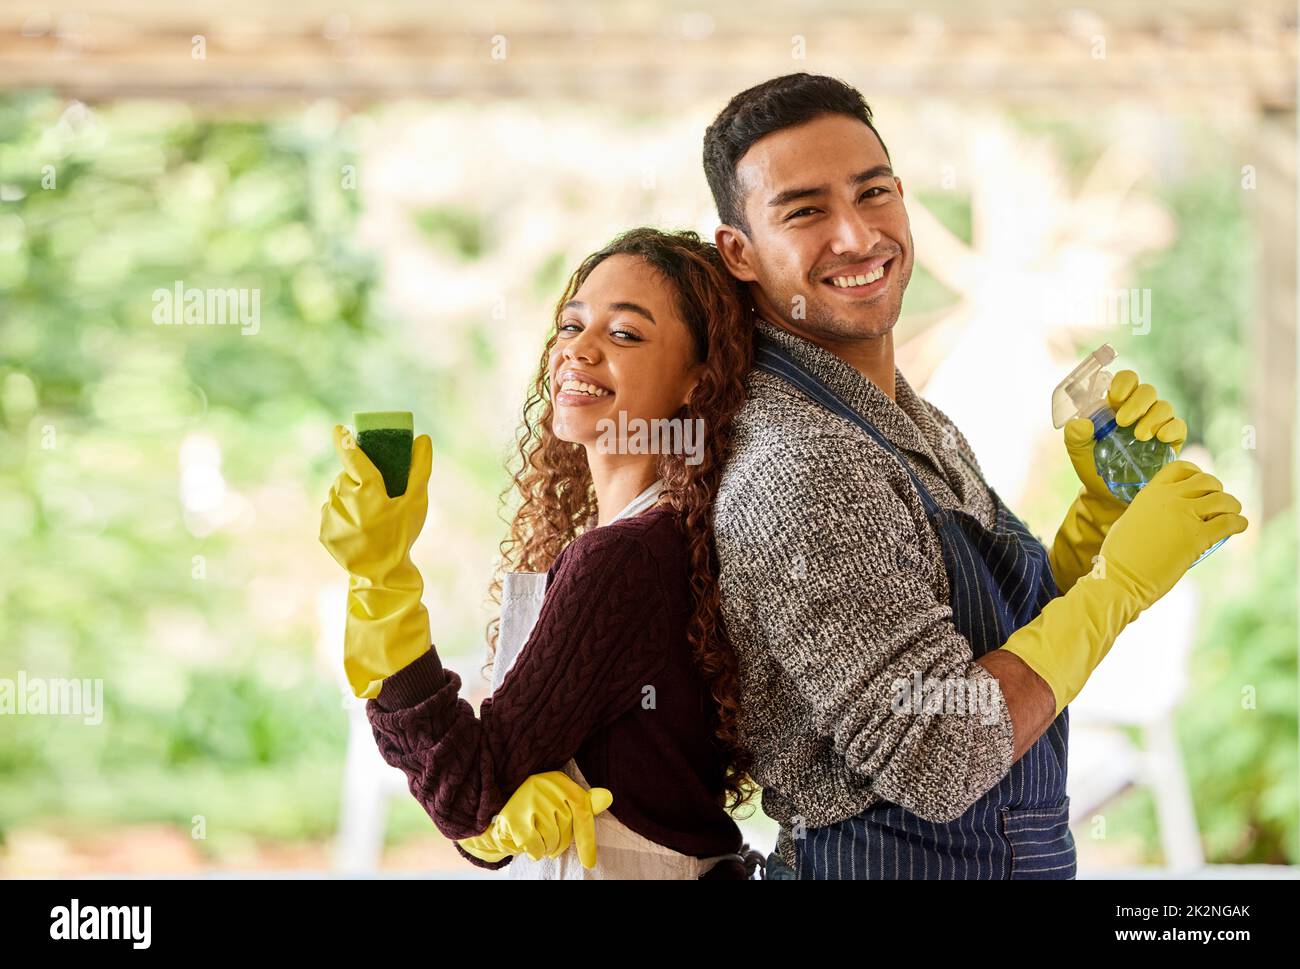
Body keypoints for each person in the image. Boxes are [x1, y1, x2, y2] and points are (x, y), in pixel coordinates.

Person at [698, 72, 1249, 878]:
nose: (855, 235)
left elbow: (990, 660)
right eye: (805, 211)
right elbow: (945, 750)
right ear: (739, 251)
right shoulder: (804, 462)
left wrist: (1098, 525)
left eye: (872, 191)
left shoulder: (903, 418)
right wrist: (1121, 586)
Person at [319, 227, 765, 878]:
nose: (578, 349)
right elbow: (484, 803)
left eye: (625, 333)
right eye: (571, 325)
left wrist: (382, 579)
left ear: (700, 380)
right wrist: (494, 816)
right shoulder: (670, 536)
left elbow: (468, 791)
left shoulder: (625, 558)